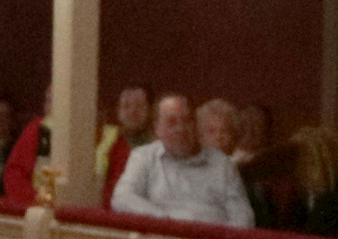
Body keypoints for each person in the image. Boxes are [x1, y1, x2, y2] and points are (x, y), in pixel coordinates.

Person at [107, 93, 254, 228]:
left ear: (196, 124)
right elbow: (122, 198)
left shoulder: (222, 164)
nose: (180, 129)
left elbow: (244, 219)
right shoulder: (144, 156)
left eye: (187, 121)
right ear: (157, 129)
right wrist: (167, 222)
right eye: (172, 122)